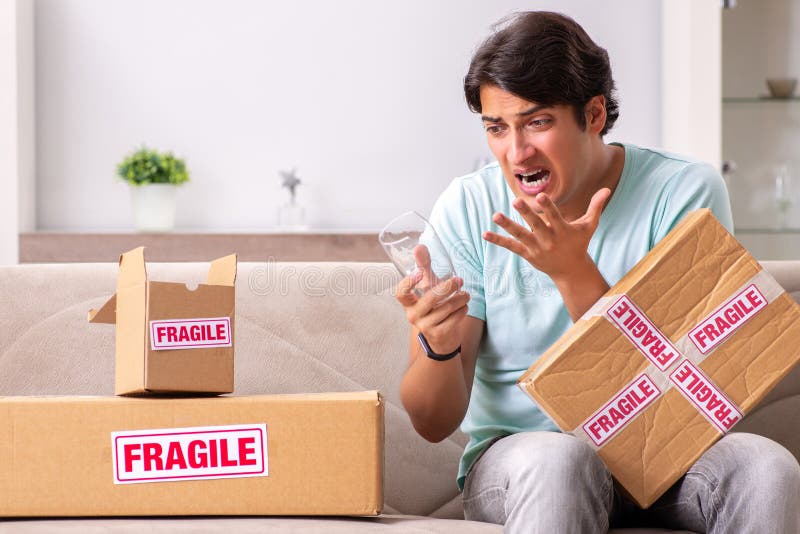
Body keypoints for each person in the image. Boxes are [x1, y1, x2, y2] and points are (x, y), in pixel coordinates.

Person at [394, 11, 800, 534]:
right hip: (525, 459)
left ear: (593, 114)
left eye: (537, 122)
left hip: (669, 450)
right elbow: (433, 423)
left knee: (767, 467)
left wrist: (574, 275)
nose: (516, 153)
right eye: (497, 129)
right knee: (563, 460)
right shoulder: (468, 208)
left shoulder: (683, 193)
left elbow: (687, 386)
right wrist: (440, 346)